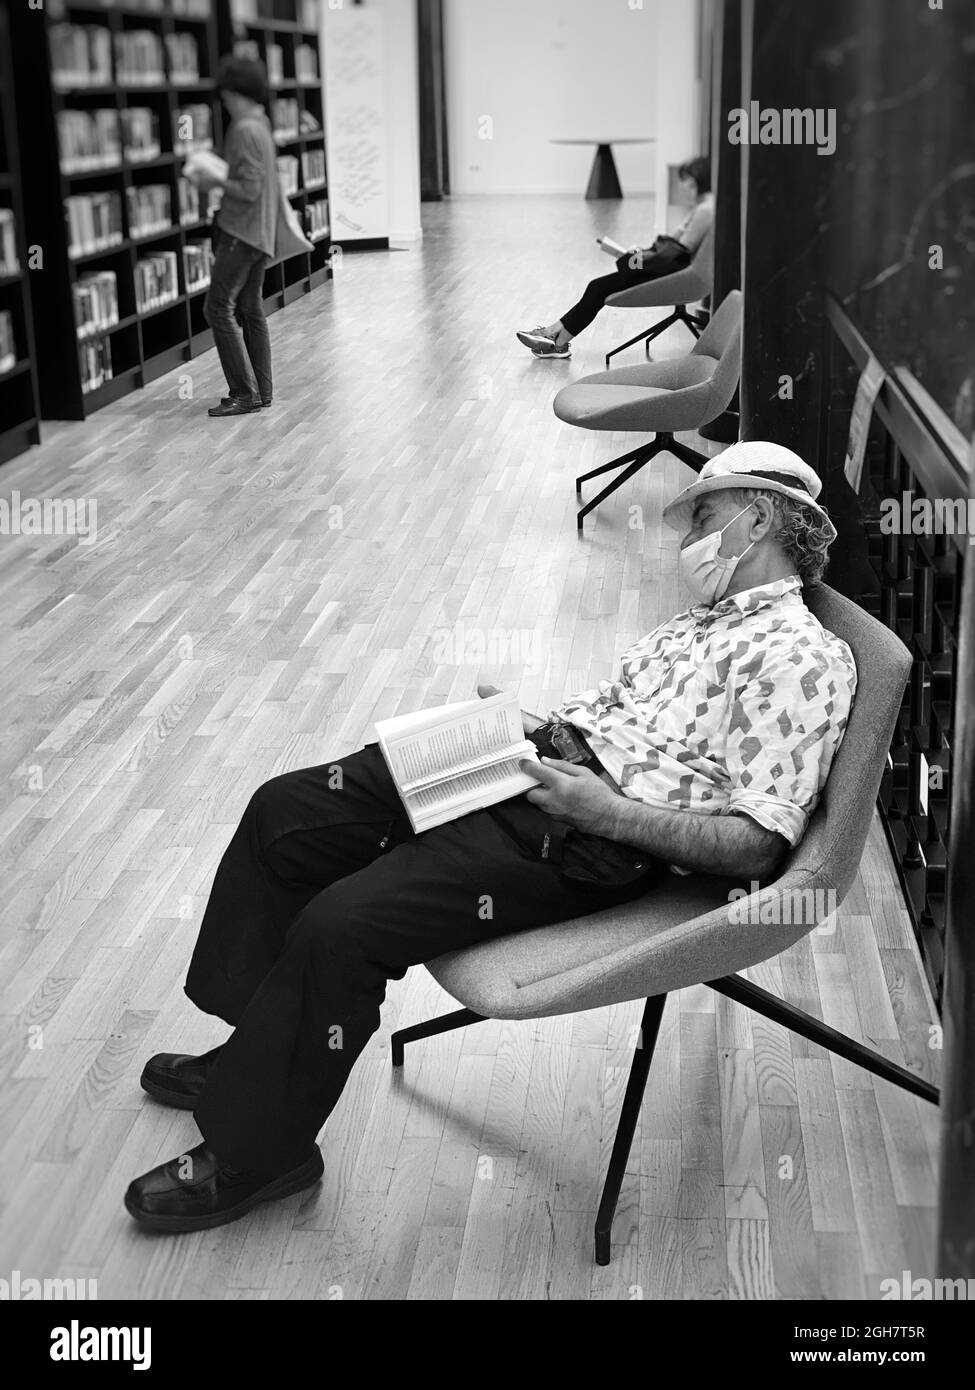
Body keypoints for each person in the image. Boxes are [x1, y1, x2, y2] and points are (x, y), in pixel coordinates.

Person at [124, 441, 856, 1233]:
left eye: (702, 518)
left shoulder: (801, 658)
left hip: (591, 831)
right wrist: (535, 726)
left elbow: (757, 848)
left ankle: (265, 1152)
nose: (686, 541)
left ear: (755, 520)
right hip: (533, 765)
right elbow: (618, 715)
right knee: (286, 814)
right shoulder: (694, 624)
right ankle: (256, 1055)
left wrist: (604, 811)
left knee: (343, 924)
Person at [516, 156, 715, 359]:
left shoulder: (705, 210)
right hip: (671, 268)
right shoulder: (705, 207)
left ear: (697, 181)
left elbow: (680, 249)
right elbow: (674, 244)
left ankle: (555, 339)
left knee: (597, 287)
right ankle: (555, 338)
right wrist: (641, 254)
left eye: (688, 183)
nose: (684, 188)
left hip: (671, 272)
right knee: (604, 281)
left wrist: (642, 256)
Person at [200, 56, 278, 417]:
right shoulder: (261, 124)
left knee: (218, 307)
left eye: (228, 96)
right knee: (250, 308)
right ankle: (261, 392)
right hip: (260, 232)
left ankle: (244, 393)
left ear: (237, 93)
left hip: (241, 231)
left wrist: (214, 179)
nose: (225, 103)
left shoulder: (244, 128)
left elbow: (248, 188)